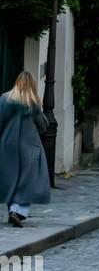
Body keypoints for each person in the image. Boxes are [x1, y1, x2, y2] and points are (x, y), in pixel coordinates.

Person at [0, 72, 51, 227]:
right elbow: (43, 124)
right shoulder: (33, 102)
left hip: (8, 145)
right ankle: (17, 210)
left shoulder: (5, 99)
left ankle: (12, 210)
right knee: (28, 180)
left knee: (11, 178)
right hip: (29, 145)